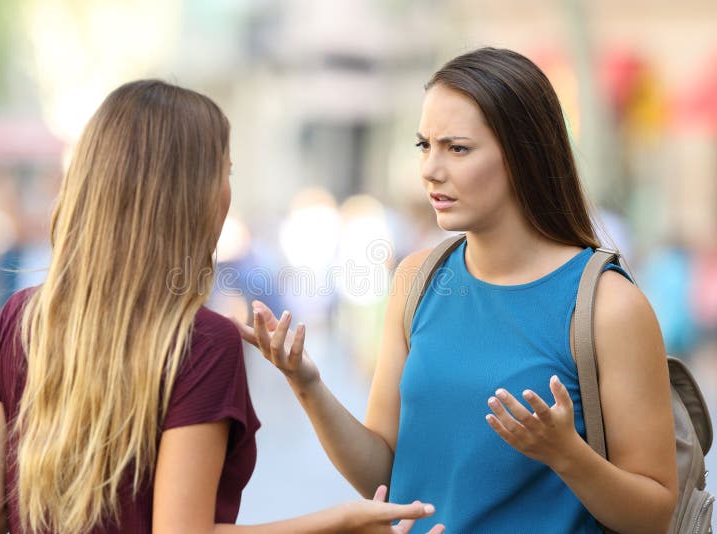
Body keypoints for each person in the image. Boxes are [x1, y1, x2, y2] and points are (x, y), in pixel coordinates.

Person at [0, 80, 445, 534]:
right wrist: (338, 522)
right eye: (224, 171)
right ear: (190, 194)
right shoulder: (201, 342)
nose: (227, 190)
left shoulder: (19, 320)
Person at [237, 48, 678, 533]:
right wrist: (307, 383)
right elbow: (383, 475)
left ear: (523, 155)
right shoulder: (416, 280)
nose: (430, 169)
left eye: (457, 148)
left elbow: (654, 514)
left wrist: (566, 454)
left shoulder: (608, 306)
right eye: (424, 145)